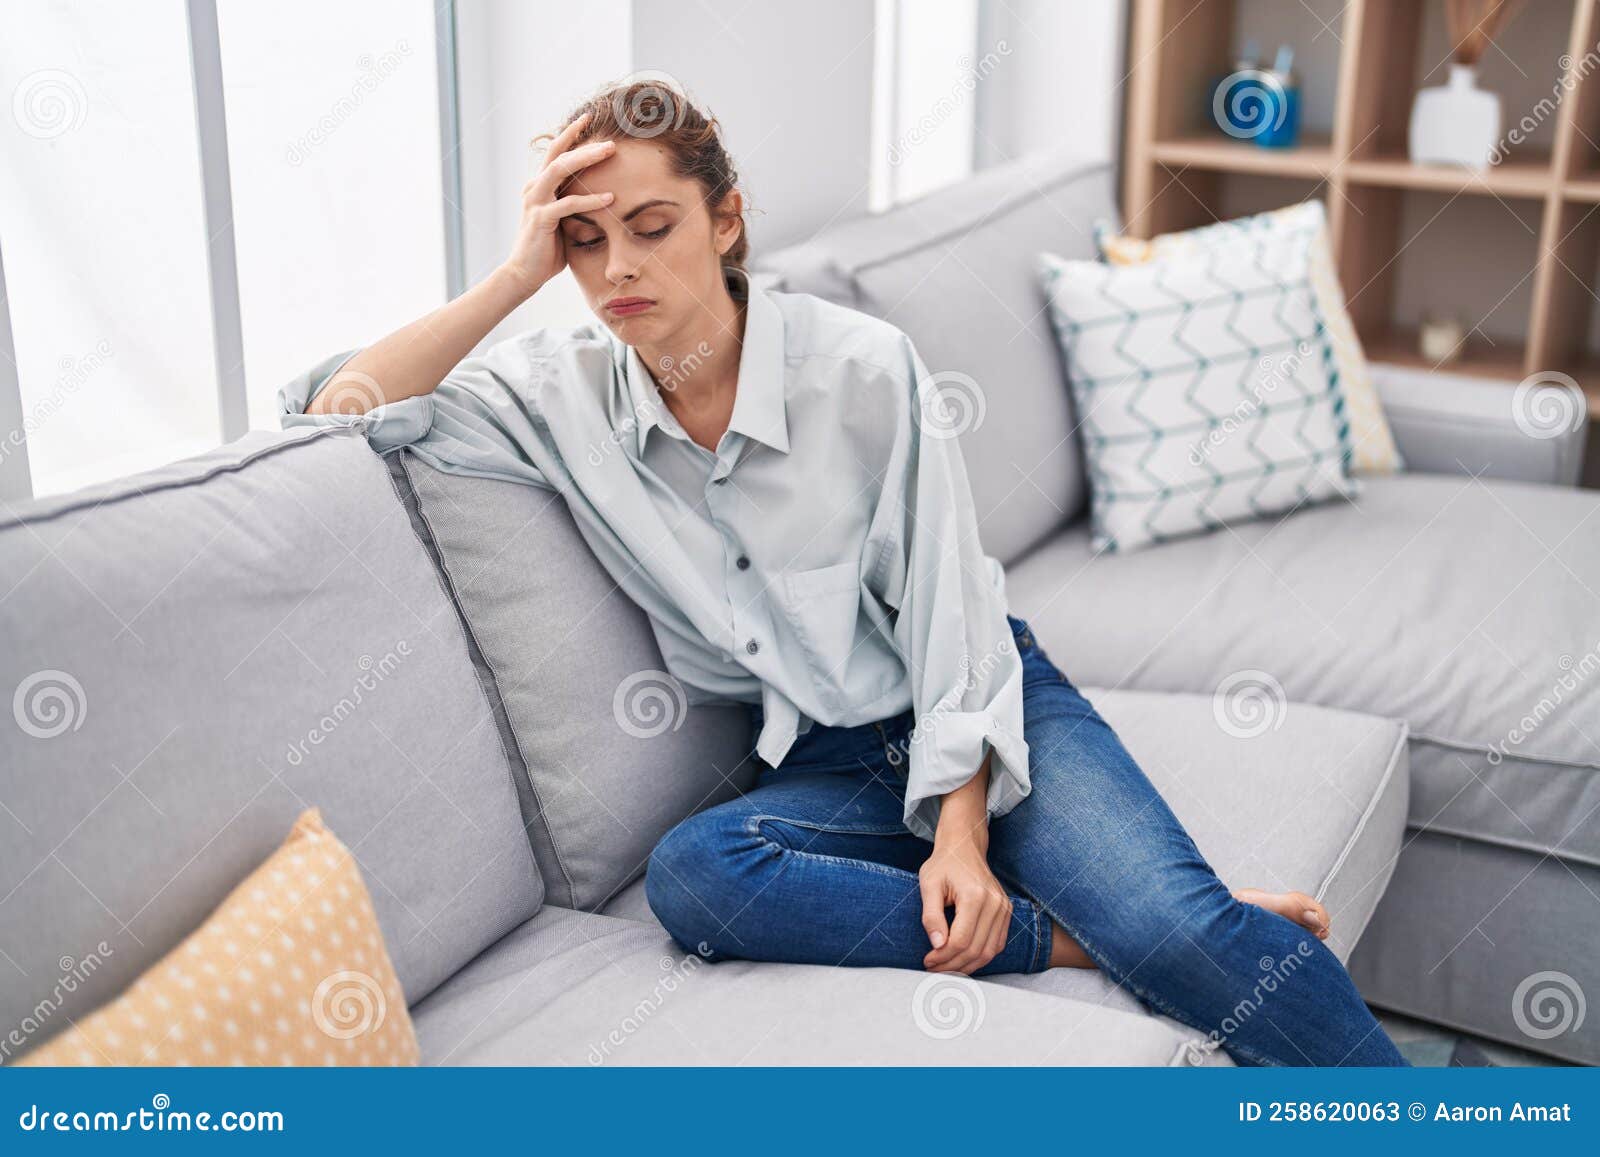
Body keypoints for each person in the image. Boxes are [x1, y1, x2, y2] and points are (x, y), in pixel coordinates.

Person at [281, 79, 1407, 1067]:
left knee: (1181, 933)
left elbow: (952, 619)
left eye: (651, 225)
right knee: (696, 877)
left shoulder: (860, 369)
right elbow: (334, 414)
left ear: (724, 221)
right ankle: (1062, 929)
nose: (617, 267)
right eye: (586, 239)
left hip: (984, 698)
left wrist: (961, 832)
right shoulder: (553, 391)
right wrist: (517, 273)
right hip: (831, 758)